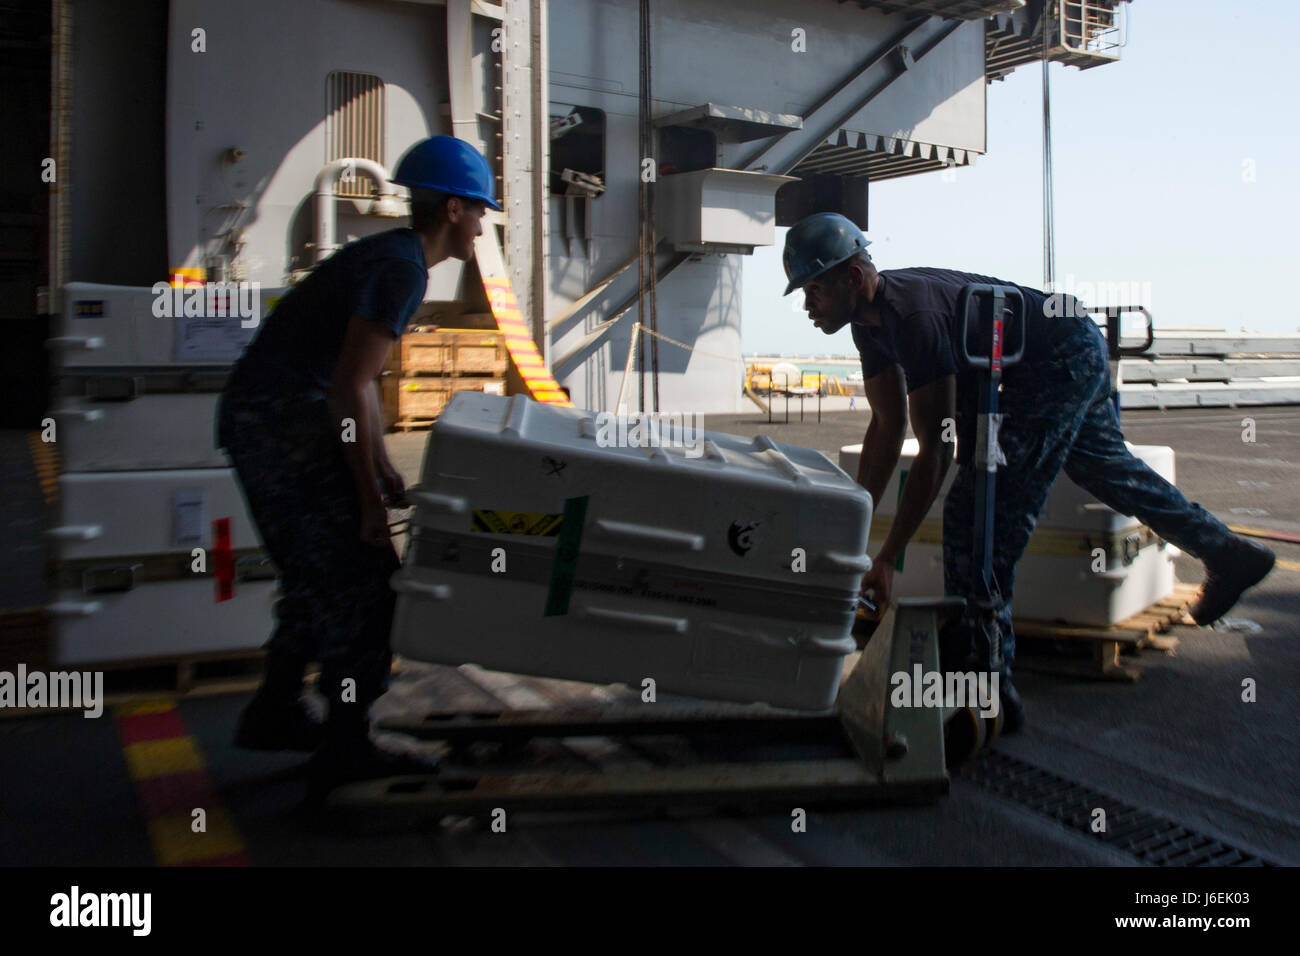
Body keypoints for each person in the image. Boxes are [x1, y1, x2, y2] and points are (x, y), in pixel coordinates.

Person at [782, 212, 1276, 731]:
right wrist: (852, 538)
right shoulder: (869, 327)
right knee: (1104, 469)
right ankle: (1228, 552)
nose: (808, 306)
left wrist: (887, 557)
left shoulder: (912, 317)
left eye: (815, 290)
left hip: (1051, 357)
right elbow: (886, 428)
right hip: (1057, 347)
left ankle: (986, 690)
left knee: (980, 514)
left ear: (853, 279)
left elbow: (939, 449)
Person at [216, 135, 500, 793]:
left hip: (266, 423)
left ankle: (276, 708)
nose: (483, 224)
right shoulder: (403, 267)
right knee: (365, 584)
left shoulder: (388, 255)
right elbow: (352, 385)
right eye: (480, 210)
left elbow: (359, 386)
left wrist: (379, 466)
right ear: (454, 209)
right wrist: (370, 502)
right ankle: (347, 743)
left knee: (317, 577)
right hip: (285, 430)